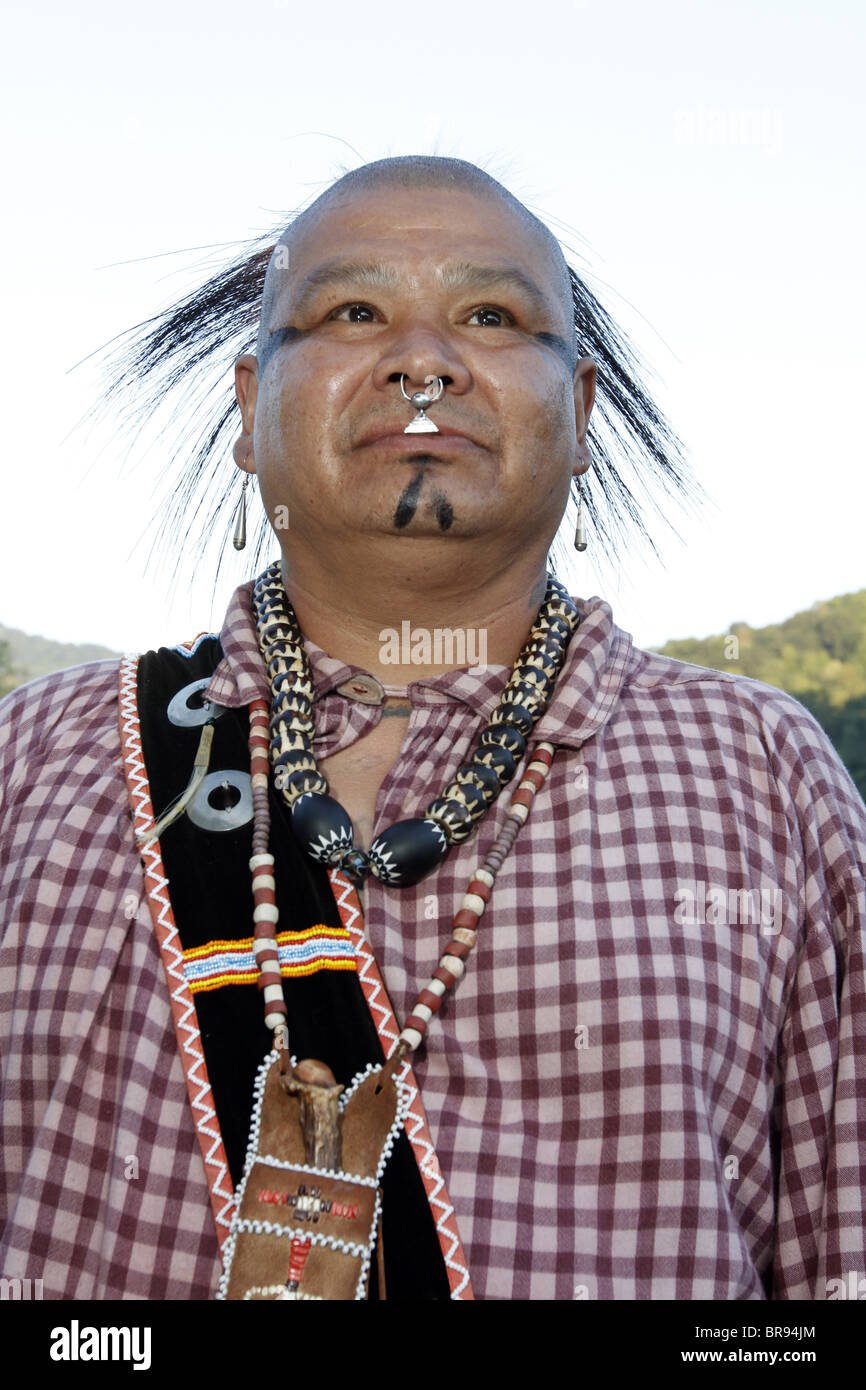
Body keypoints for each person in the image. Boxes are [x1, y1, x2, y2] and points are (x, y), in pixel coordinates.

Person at [1, 156, 864, 1302]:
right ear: (251, 409)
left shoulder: (757, 772)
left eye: (489, 315)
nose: (421, 361)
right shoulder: (37, 758)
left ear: (581, 413)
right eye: (353, 312)